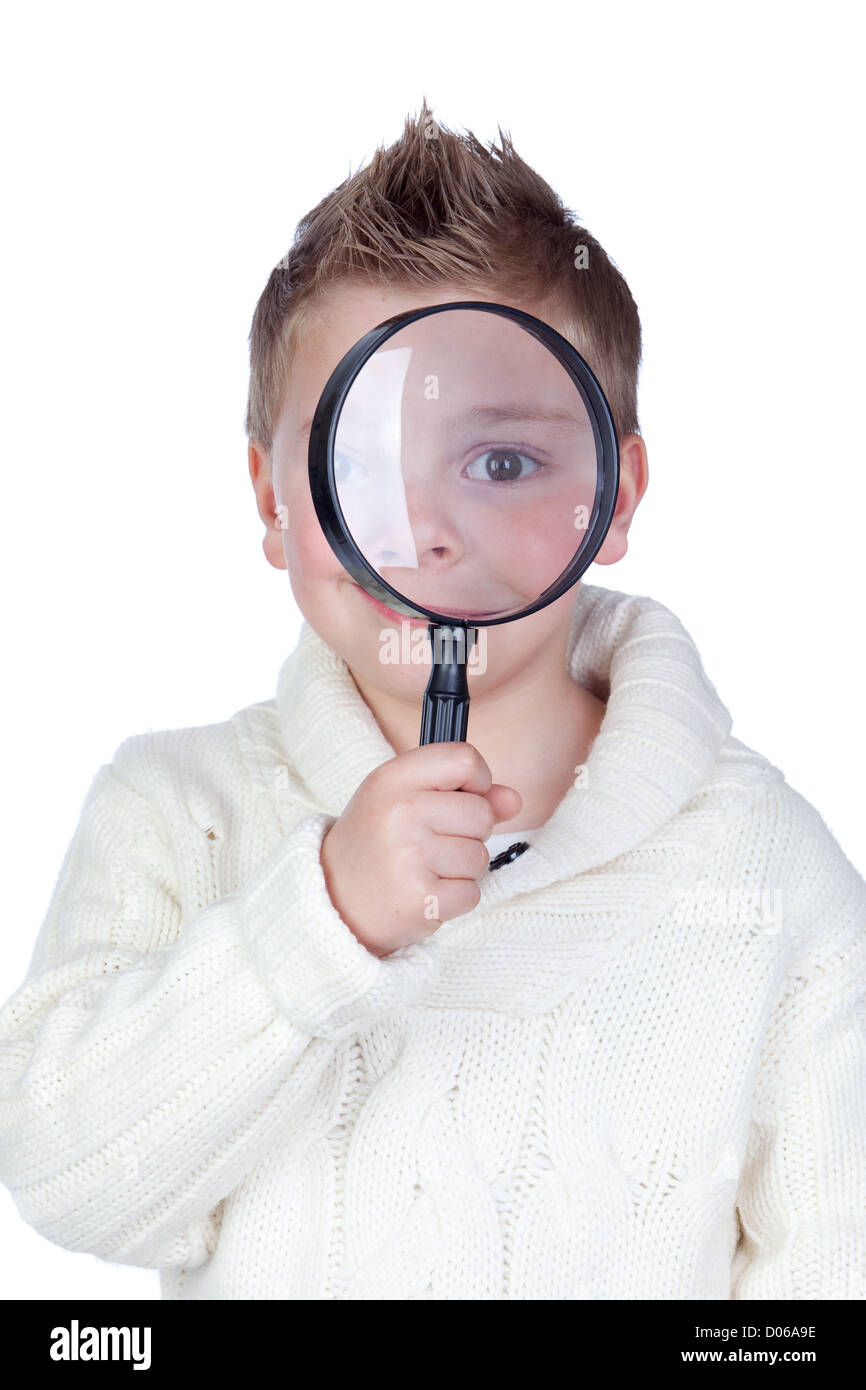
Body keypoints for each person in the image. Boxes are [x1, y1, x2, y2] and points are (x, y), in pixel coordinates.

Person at [1, 100, 864, 1301]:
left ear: (614, 494)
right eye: (357, 469)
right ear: (270, 501)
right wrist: (322, 922)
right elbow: (65, 1179)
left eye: (499, 462)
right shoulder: (173, 813)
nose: (424, 538)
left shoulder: (772, 876)